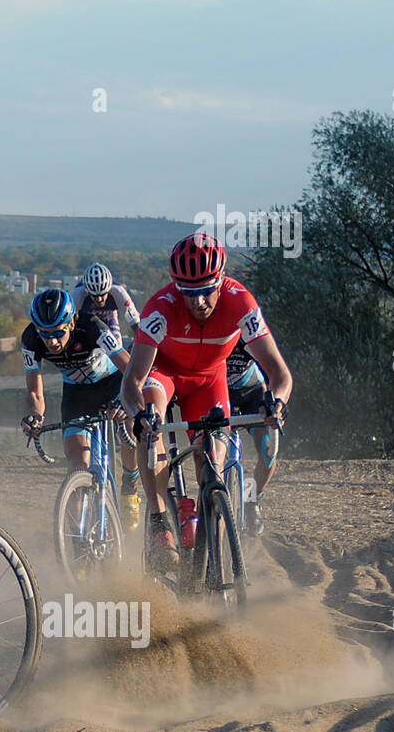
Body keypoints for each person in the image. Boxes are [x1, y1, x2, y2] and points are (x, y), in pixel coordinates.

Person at [119, 233, 292, 569]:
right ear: (176, 286)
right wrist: (139, 415)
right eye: (188, 292)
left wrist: (277, 403)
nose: (198, 301)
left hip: (209, 380)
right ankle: (158, 522)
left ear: (221, 280)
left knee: (212, 464)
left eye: (205, 290)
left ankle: (208, 542)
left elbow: (280, 374)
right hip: (165, 374)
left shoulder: (241, 302)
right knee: (151, 421)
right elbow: (132, 383)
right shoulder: (160, 308)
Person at [19, 289, 141, 528]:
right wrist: (35, 416)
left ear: (72, 322)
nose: (51, 341)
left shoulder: (94, 327)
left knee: (129, 429)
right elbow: (35, 392)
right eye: (45, 333)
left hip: (113, 382)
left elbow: (129, 368)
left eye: (57, 333)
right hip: (77, 393)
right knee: (77, 462)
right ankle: (77, 538)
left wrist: (126, 401)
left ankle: (130, 485)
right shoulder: (30, 339)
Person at [225, 340, 279, 535]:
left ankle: (251, 498)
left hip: (252, 395)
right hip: (219, 394)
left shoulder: (247, 332)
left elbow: (272, 367)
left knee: (268, 453)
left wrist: (273, 401)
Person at [72, 262, 140, 338]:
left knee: (116, 342)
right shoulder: (78, 293)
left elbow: (135, 322)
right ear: (87, 291)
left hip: (110, 316)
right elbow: (69, 320)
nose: (99, 299)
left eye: (102, 294)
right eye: (94, 295)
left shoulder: (118, 291)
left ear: (109, 290)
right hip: (87, 320)